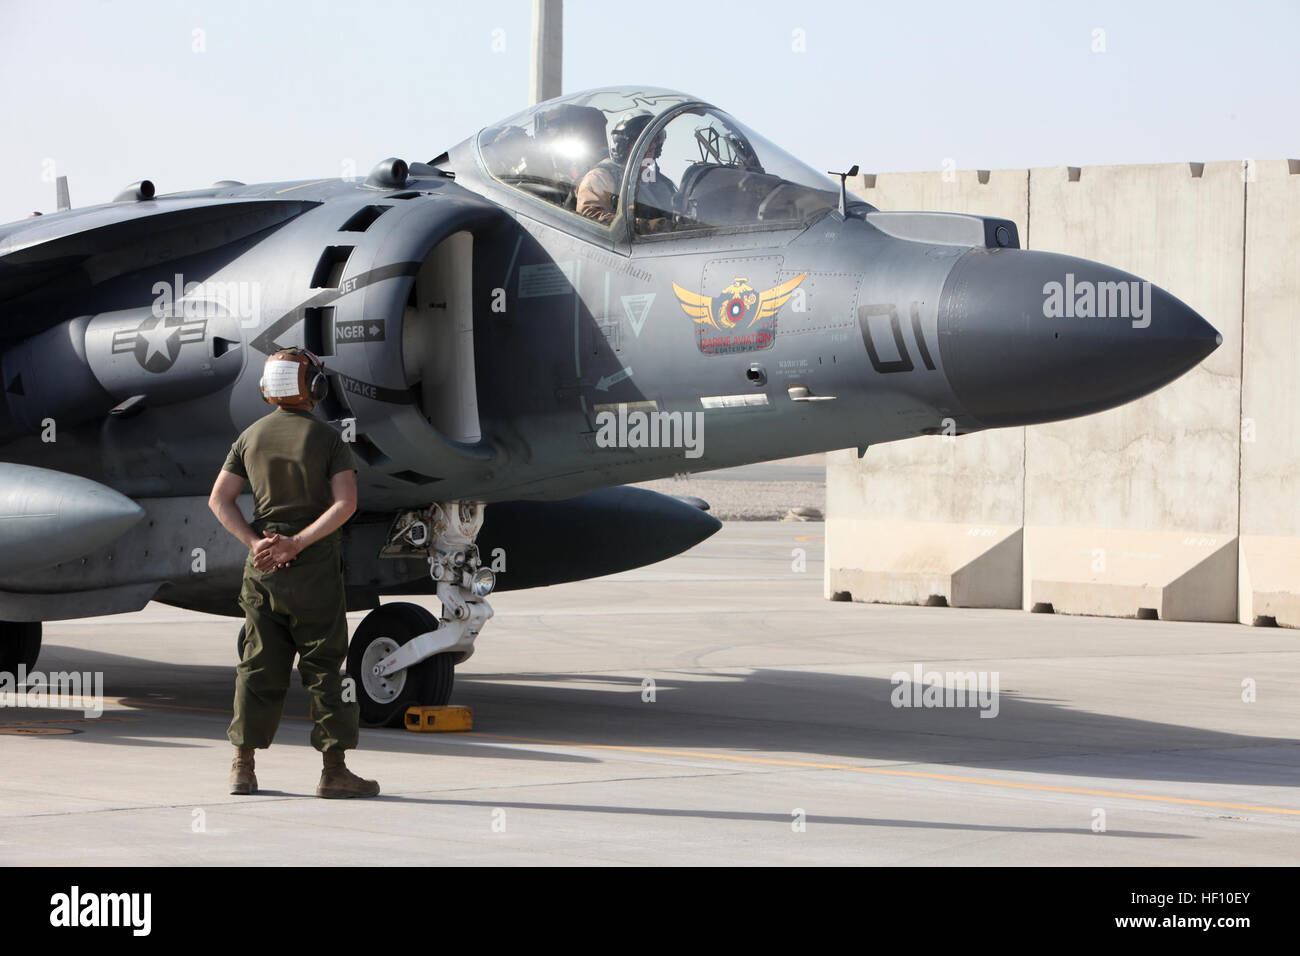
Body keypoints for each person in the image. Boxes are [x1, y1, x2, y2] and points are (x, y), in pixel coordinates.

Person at [208, 347, 379, 799]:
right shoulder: (328, 440)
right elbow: (346, 504)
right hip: (314, 569)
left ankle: (242, 768)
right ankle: (334, 771)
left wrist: (257, 543)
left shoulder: (249, 438)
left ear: (268, 389)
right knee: (326, 670)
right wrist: (298, 544)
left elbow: (219, 500)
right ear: (314, 388)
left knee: (257, 667)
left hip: (262, 569)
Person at [577, 112, 677, 227]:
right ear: (623, 145)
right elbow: (589, 218)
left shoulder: (660, 184)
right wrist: (643, 226)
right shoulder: (601, 177)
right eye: (642, 141)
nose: (651, 146)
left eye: (654, 141)